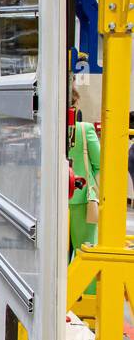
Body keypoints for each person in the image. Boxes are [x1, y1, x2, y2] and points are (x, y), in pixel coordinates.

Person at [68, 103, 100, 258]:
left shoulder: (47, 128)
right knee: (86, 253)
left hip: (53, 200)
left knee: (57, 256)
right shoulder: (84, 129)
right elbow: (100, 162)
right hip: (83, 200)